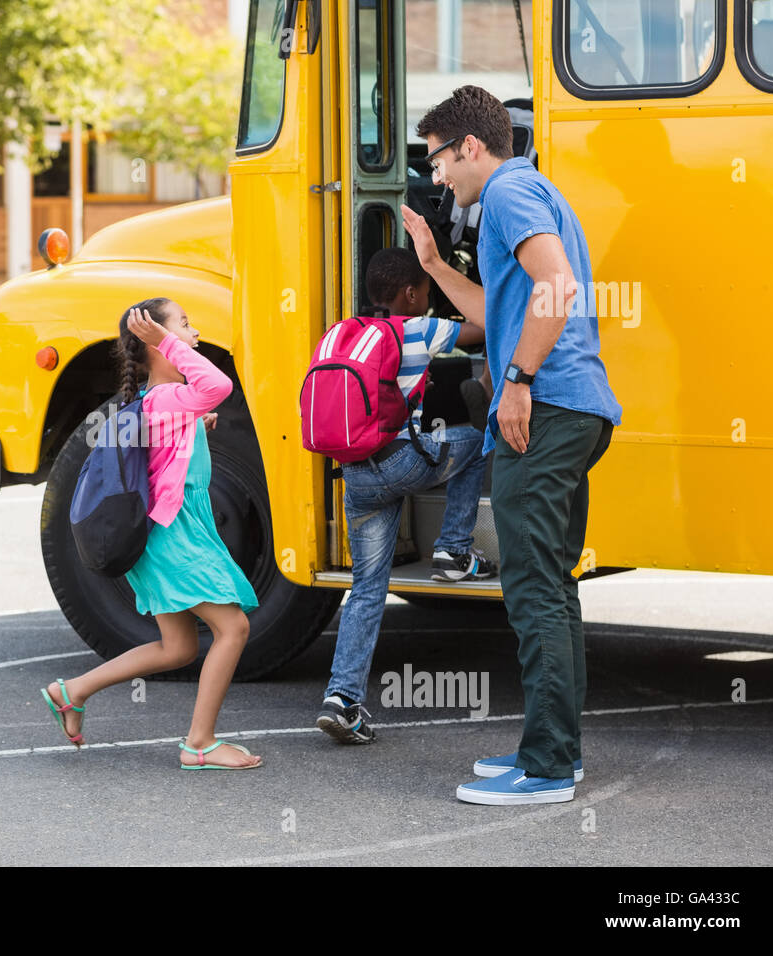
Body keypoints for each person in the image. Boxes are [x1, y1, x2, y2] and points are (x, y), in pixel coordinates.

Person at [405, 85, 621, 805]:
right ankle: (552, 751)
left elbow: (555, 287)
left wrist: (520, 379)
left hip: (549, 408)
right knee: (551, 590)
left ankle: (550, 770)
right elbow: (498, 309)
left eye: (436, 160)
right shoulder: (526, 192)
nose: (436, 178)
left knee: (533, 591)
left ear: (470, 146)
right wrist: (434, 265)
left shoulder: (505, 192)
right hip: (576, 408)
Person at [40, 299, 262, 770]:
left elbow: (163, 459)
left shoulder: (159, 402)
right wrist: (167, 343)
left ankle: (72, 691)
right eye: (184, 325)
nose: (195, 333)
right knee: (233, 626)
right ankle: (199, 743)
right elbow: (218, 384)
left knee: (178, 647)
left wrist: (194, 428)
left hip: (173, 530)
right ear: (157, 345)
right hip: (172, 535)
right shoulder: (164, 398)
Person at [316, 248, 495, 744]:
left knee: (367, 589)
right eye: (426, 290)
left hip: (356, 474)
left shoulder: (343, 331)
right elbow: (485, 323)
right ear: (412, 294)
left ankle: (342, 700)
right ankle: (455, 550)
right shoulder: (417, 328)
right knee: (475, 442)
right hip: (403, 462)